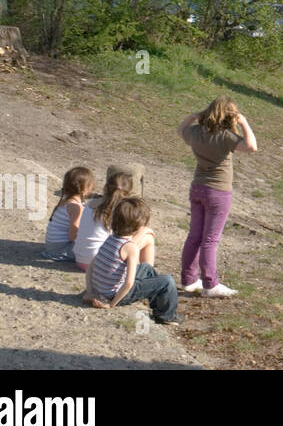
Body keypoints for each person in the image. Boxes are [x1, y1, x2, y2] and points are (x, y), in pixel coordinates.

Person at [178, 97, 257, 297]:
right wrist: (244, 122)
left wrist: (193, 117)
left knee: (194, 236)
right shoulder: (225, 136)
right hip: (218, 191)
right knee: (210, 240)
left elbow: (180, 130)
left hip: (197, 187)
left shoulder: (196, 132)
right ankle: (210, 285)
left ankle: (188, 280)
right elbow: (251, 147)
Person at [84, 197, 180, 325]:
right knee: (167, 281)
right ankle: (166, 316)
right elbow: (129, 283)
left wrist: (91, 291)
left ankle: (158, 306)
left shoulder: (110, 239)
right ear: (139, 226)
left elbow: (91, 266)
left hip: (101, 289)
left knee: (146, 268)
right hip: (114, 294)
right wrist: (111, 305)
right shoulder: (130, 248)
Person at [74, 168, 154, 271]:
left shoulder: (90, 203)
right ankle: (146, 273)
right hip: (100, 262)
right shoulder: (120, 210)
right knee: (148, 235)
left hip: (80, 260)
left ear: (105, 188)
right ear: (128, 192)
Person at [42, 167, 94, 261]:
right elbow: (73, 235)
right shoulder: (75, 208)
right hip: (61, 249)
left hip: (52, 247)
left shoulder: (64, 201)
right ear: (86, 189)